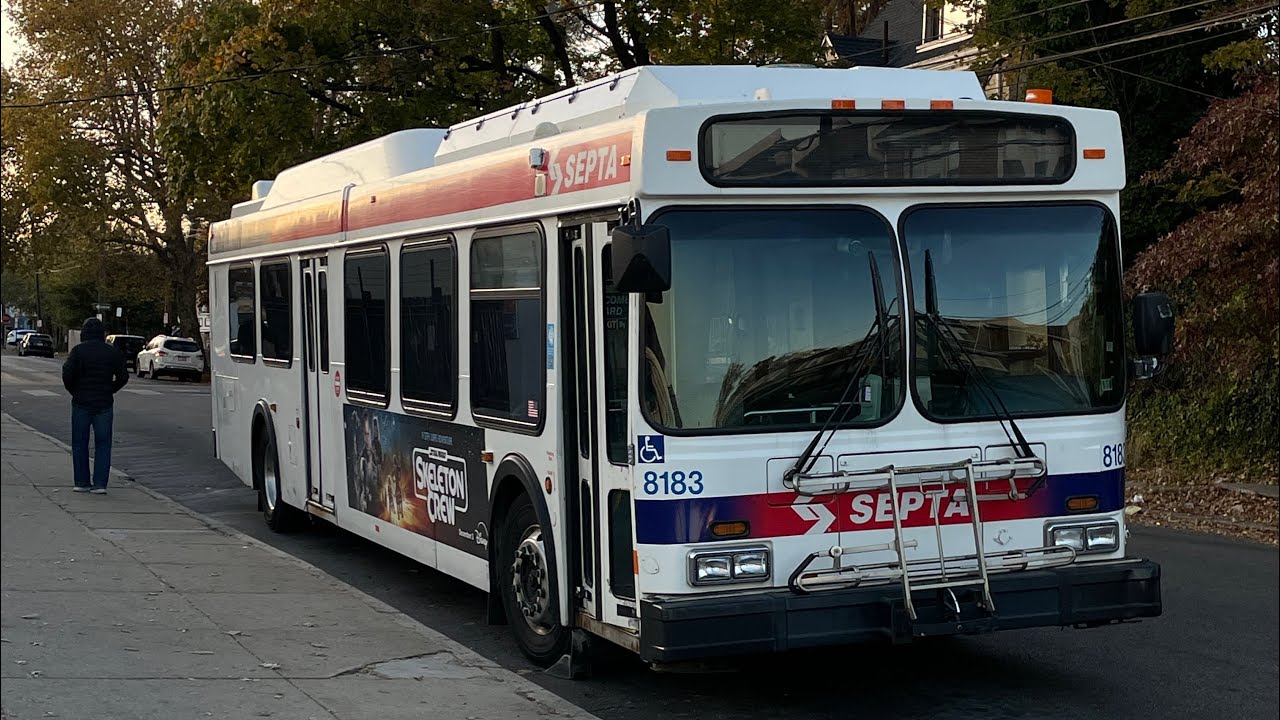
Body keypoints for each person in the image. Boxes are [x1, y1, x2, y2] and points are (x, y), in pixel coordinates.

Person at [61, 317, 128, 493]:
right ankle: (100, 483)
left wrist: (74, 391)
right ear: (102, 333)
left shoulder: (78, 352)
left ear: (84, 333)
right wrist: (111, 389)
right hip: (104, 402)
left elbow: (67, 374)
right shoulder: (111, 352)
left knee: (79, 443)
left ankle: (82, 482)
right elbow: (123, 377)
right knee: (103, 444)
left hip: (81, 401)